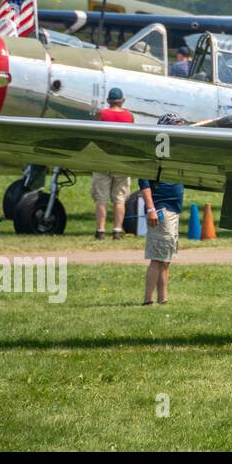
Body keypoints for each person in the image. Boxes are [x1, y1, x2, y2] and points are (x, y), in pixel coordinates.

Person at [141, 114, 187, 305]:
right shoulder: (155, 154)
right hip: (162, 210)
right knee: (157, 258)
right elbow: (144, 182)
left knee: (166, 259)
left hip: (173, 210)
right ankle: (148, 300)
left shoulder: (174, 154)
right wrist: (151, 208)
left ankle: (163, 299)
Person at [91, 87, 135, 240]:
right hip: (121, 160)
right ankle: (117, 230)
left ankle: (100, 230)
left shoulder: (102, 114)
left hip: (103, 159)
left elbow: (95, 134)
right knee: (120, 198)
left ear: (109, 101)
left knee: (101, 198)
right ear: (122, 101)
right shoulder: (129, 116)